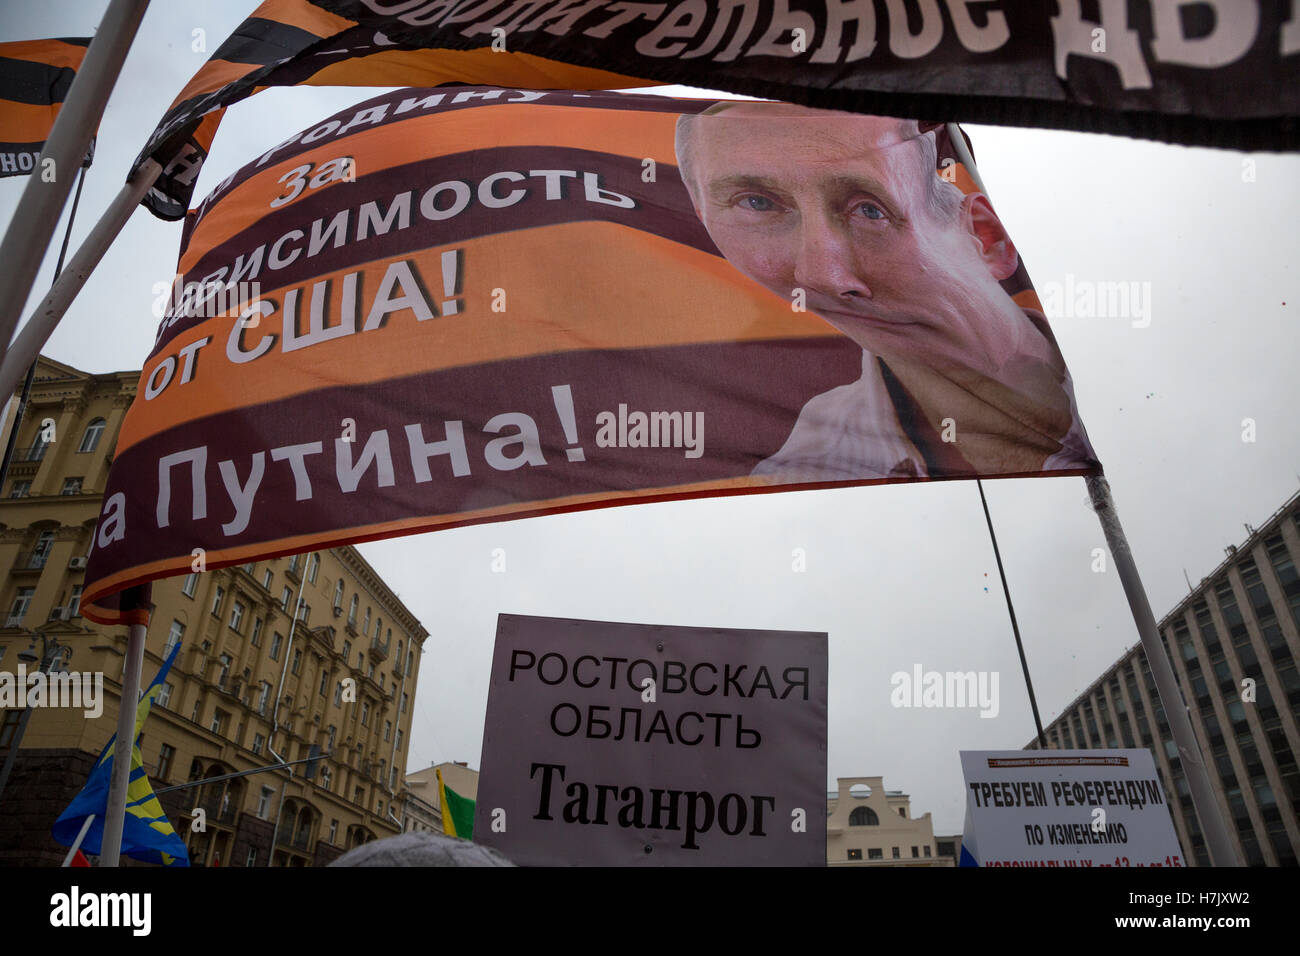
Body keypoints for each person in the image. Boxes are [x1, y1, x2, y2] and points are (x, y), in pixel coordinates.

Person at [674, 101, 1098, 481]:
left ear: (984, 237)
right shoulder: (807, 472)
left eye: (869, 209)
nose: (823, 276)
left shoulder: (1133, 374)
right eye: (757, 203)